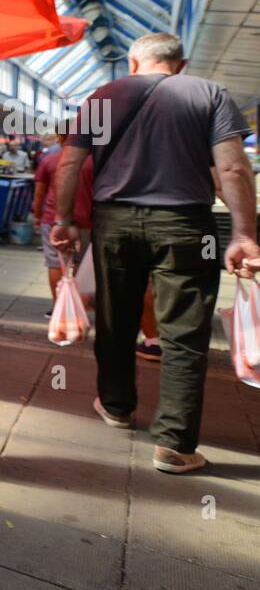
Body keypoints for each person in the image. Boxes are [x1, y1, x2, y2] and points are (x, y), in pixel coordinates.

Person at [51, 32, 260, 475]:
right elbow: (232, 166)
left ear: (132, 63)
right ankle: (174, 443)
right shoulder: (210, 93)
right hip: (185, 223)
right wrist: (244, 233)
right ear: (179, 64)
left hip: (113, 222)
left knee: (115, 318)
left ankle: (116, 406)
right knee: (184, 331)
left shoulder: (104, 96)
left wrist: (65, 219)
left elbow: (71, 163)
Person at [33, 132, 93, 307]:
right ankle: (77, 308)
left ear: (60, 138)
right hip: (86, 220)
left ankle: (58, 307)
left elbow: (39, 192)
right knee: (81, 264)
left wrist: (37, 215)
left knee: (56, 263)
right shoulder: (93, 161)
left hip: (53, 219)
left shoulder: (50, 160)